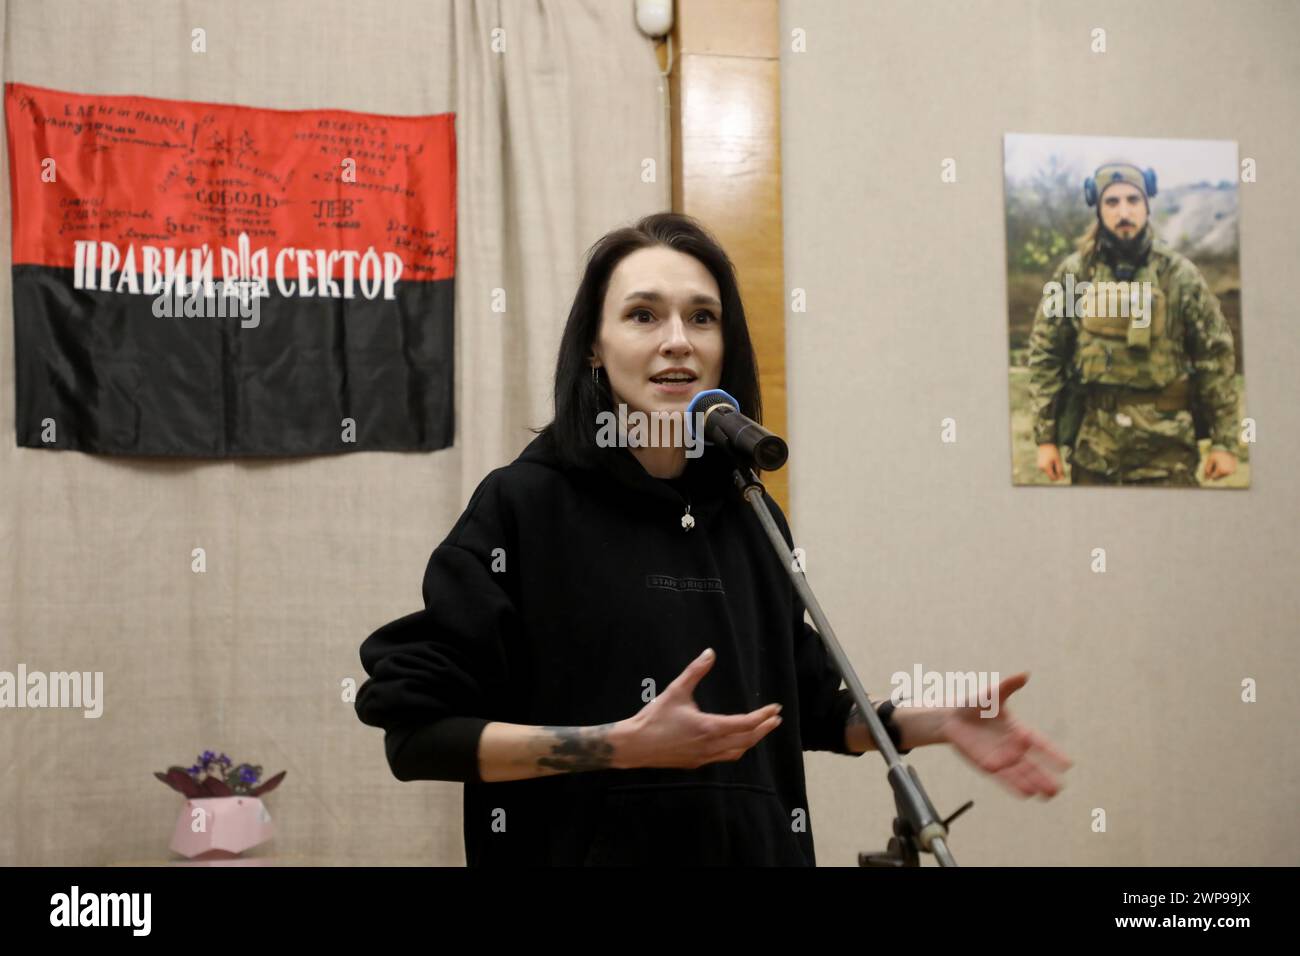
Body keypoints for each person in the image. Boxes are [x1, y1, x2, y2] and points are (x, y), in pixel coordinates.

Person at [356, 212, 1070, 866]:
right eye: (643, 315)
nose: (678, 340)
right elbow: (418, 733)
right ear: (594, 353)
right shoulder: (523, 506)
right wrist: (618, 749)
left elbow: (813, 707)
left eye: (703, 318)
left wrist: (935, 719)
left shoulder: (749, 509)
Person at [1027, 162, 1243, 486]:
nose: (1123, 211)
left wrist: (1224, 442)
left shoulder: (1179, 275)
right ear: (1098, 209)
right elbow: (1046, 352)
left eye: (1133, 200)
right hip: (1094, 452)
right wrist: (1046, 439)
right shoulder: (1075, 274)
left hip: (1167, 454)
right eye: (1112, 202)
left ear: (1146, 206)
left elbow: (1215, 355)